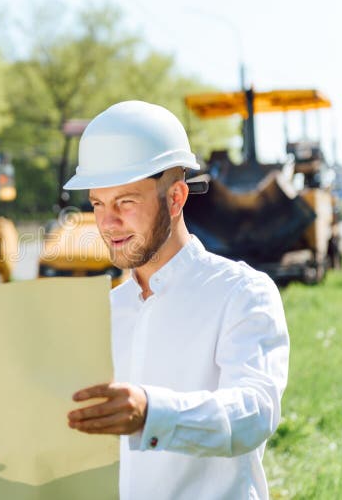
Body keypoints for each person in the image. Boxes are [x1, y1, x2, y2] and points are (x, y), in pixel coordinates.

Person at [65, 101, 289, 499]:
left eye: (125, 202)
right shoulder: (105, 314)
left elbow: (254, 413)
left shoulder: (241, 293)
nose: (107, 223)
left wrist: (152, 413)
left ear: (175, 198)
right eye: (98, 204)